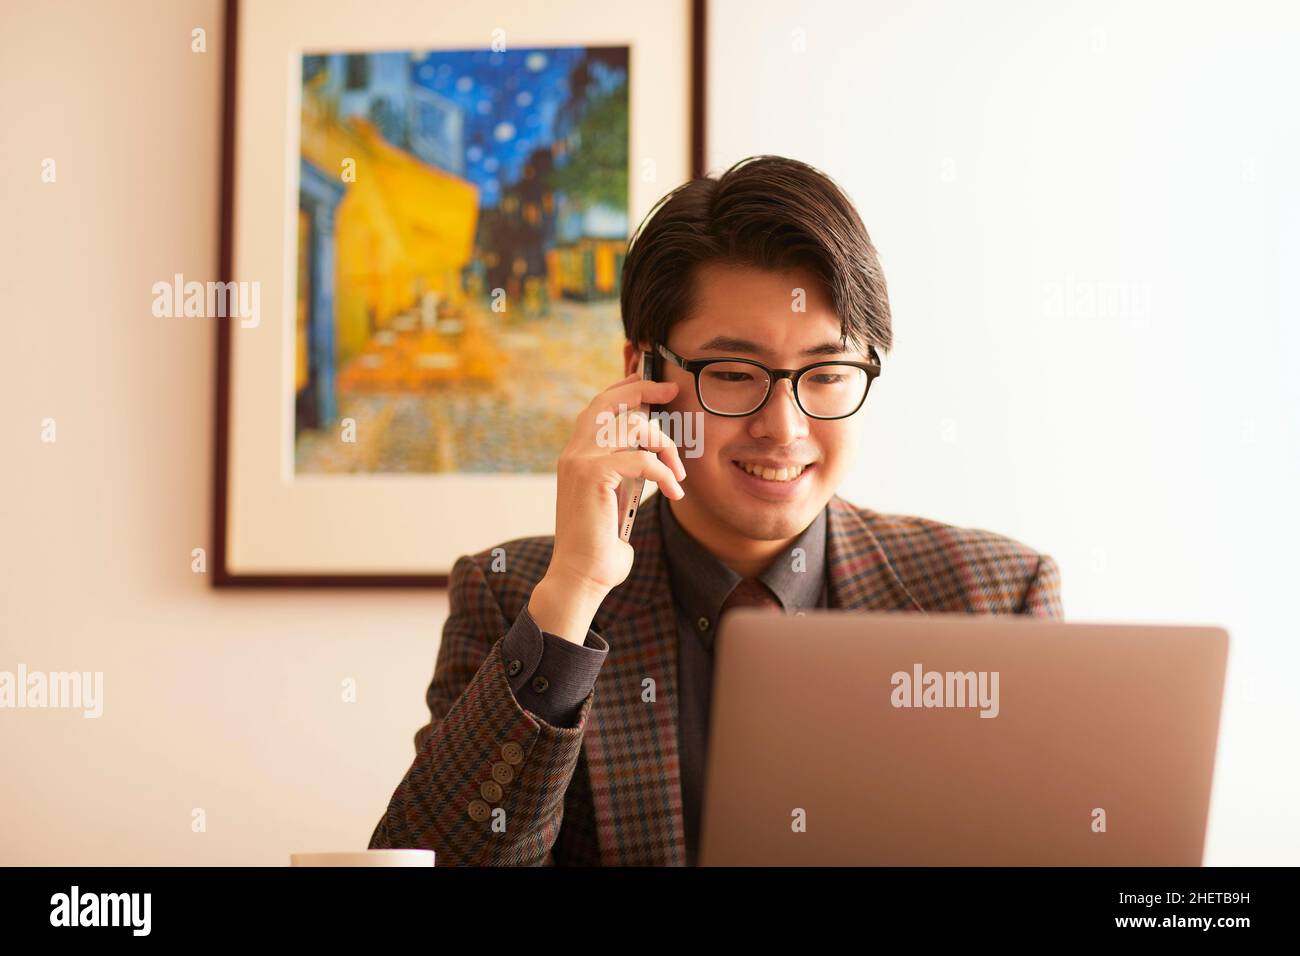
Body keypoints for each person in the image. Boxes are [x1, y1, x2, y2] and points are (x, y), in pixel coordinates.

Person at [368, 155, 1063, 866]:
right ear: (642, 373)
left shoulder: (992, 597)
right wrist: (574, 590)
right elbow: (439, 858)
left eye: (825, 375)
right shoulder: (517, 593)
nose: (783, 427)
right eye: (733, 375)